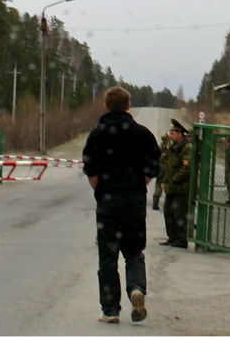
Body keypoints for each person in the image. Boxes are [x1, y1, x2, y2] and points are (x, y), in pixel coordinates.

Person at [82, 86, 160, 324]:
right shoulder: (143, 134)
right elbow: (153, 167)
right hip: (135, 200)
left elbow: (91, 169)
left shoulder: (97, 135)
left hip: (108, 202)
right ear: (129, 105)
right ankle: (136, 288)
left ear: (106, 106)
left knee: (108, 256)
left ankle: (110, 309)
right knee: (134, 252)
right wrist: (138, 184)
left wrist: (103, 190)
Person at [159, 118, 192, 248]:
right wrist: (165, 180)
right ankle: (172, 237)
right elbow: (170, 166)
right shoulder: (174, 148)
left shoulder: (186, 148)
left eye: (173, 133)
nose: (170, 136)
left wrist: (173, 181)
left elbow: (186, 168)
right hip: (172, 187)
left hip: (181, 188)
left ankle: (181, 239)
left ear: (180, 134)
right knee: (168, 211)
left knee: (179, 214)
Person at [152, 133, 171, 211]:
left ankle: (155, 203)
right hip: (167, 169)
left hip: (160, 169)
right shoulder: (170, 147)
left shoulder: (160, 147)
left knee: (158, 186)